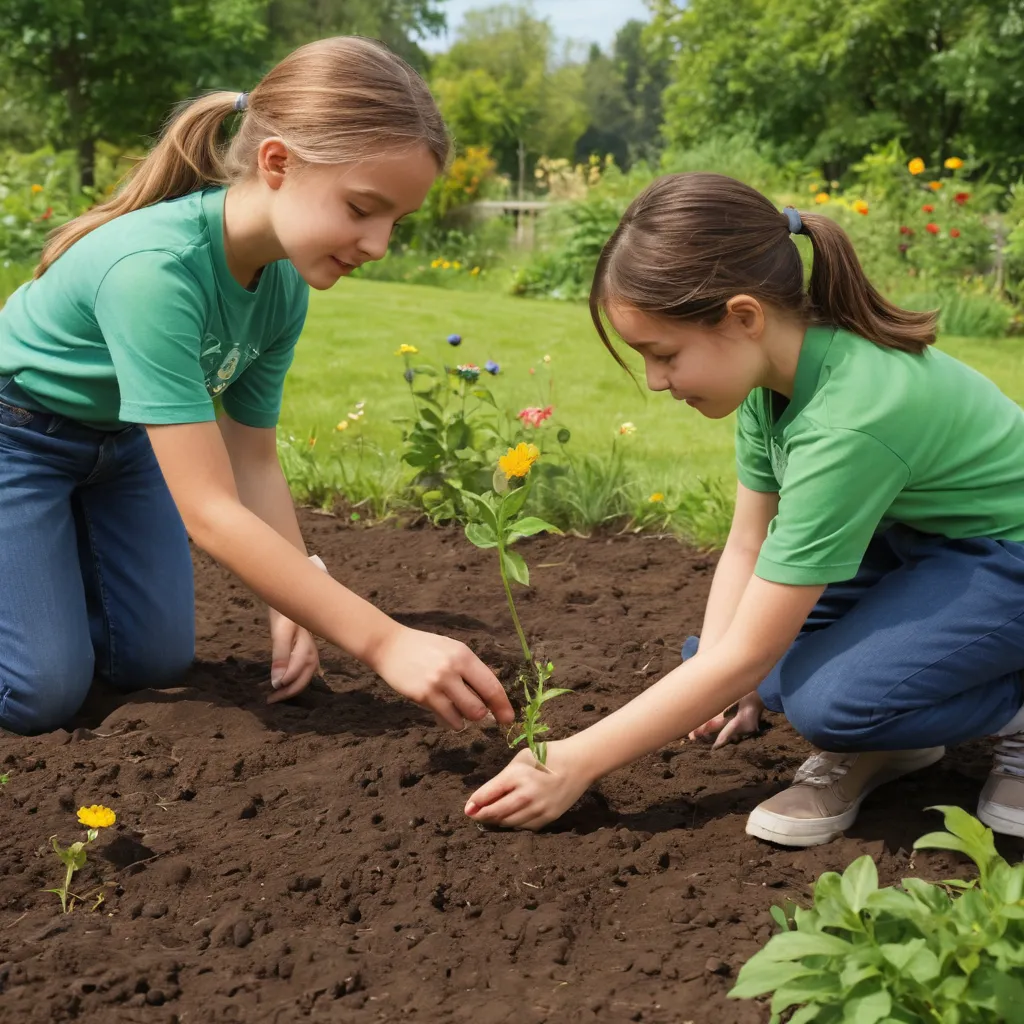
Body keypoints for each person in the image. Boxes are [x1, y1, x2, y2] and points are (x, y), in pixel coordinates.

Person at [464, 171, 1024, 844]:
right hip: (928, 545)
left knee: (825, 702)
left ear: (743, 316)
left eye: (663, 353)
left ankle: (1003, 712)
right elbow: (746, 545)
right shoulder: (773, 382)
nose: (656, 381)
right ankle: (897, 741)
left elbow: (750, 649)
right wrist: (730, 674)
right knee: (723, 655)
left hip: (1006, 556)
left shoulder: (851, 419)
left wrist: (575, 761)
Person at [0, 37, 513, 738]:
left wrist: (296, 596)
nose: (379, 244)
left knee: (155, 661)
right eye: (363, 208)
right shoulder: (154, 272)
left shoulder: (281, 288)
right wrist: (384, 639)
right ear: (277, 162)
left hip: (121, 445)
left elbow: (253, 461)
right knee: (41, 696)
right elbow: (209, 509)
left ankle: (44, 569)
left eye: (397, 220)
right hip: (17, 439)